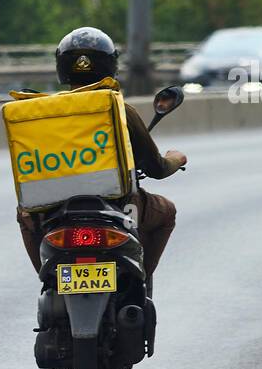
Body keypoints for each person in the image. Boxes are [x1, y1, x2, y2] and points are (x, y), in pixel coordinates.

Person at [15, 27, 184, 291]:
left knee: (25, 214)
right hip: (119, 206)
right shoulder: (118, 109)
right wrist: (176, 158)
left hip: (55, 211)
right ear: (110, 65)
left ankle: (50, 280)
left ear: (62, 67)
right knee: (167, 211)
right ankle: (138, 281)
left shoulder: (44, 114)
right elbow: (156, 168)